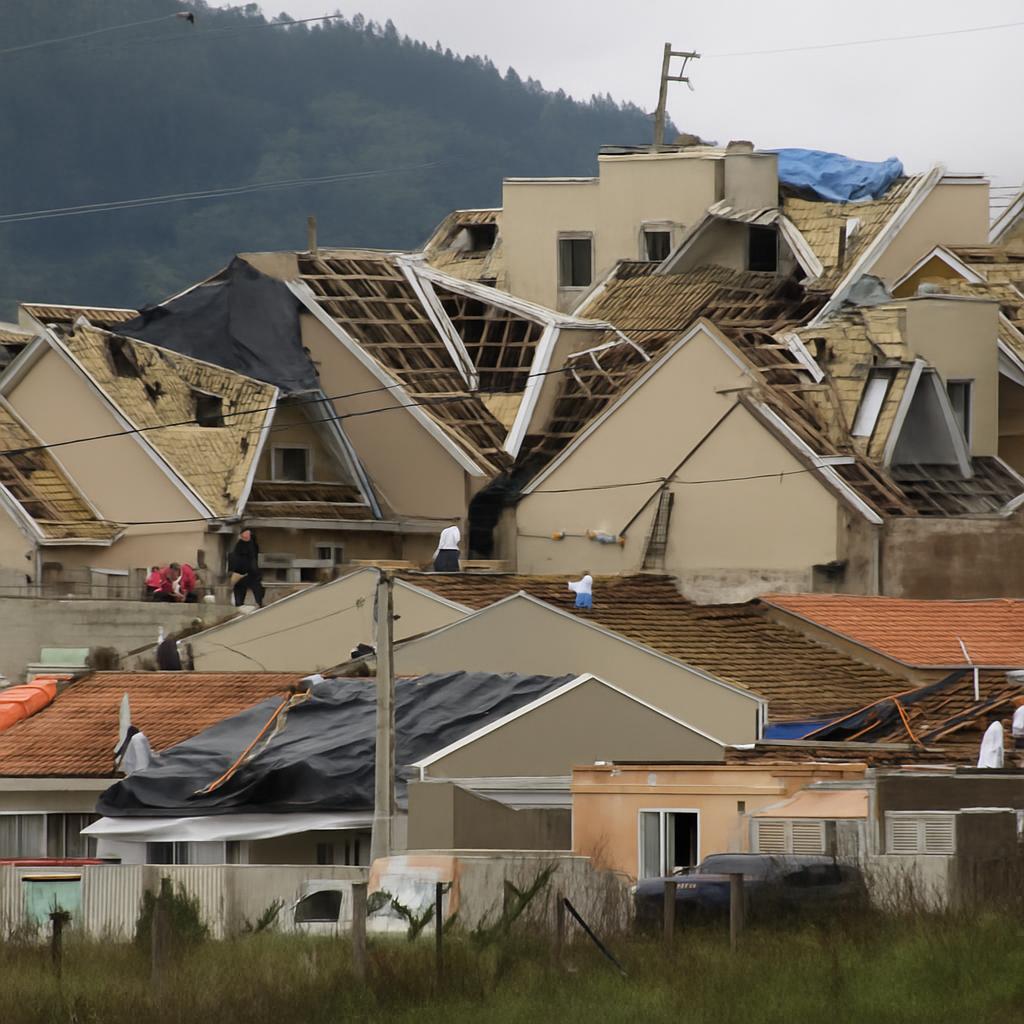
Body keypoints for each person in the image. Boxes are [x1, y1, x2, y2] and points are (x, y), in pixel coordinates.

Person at [229, 527, 264, 607]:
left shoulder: (253, 544)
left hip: (252, 573)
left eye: (248, 534)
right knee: (239, 595)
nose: (247, 535)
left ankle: (259, 604)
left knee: (258, 592)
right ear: (241, 535)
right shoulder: (239, 546)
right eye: (245, 534)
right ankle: (239, 606)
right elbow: (236, 559)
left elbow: (254, 558)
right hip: (240, 574)